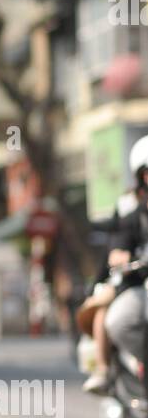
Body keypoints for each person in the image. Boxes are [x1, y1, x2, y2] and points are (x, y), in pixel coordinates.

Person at [84, 136, 148, 395]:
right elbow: (117, 248)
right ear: (143, 177)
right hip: (138, 286)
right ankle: (107, 368)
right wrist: (120, 257)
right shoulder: (134, 217)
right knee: (115, 319)